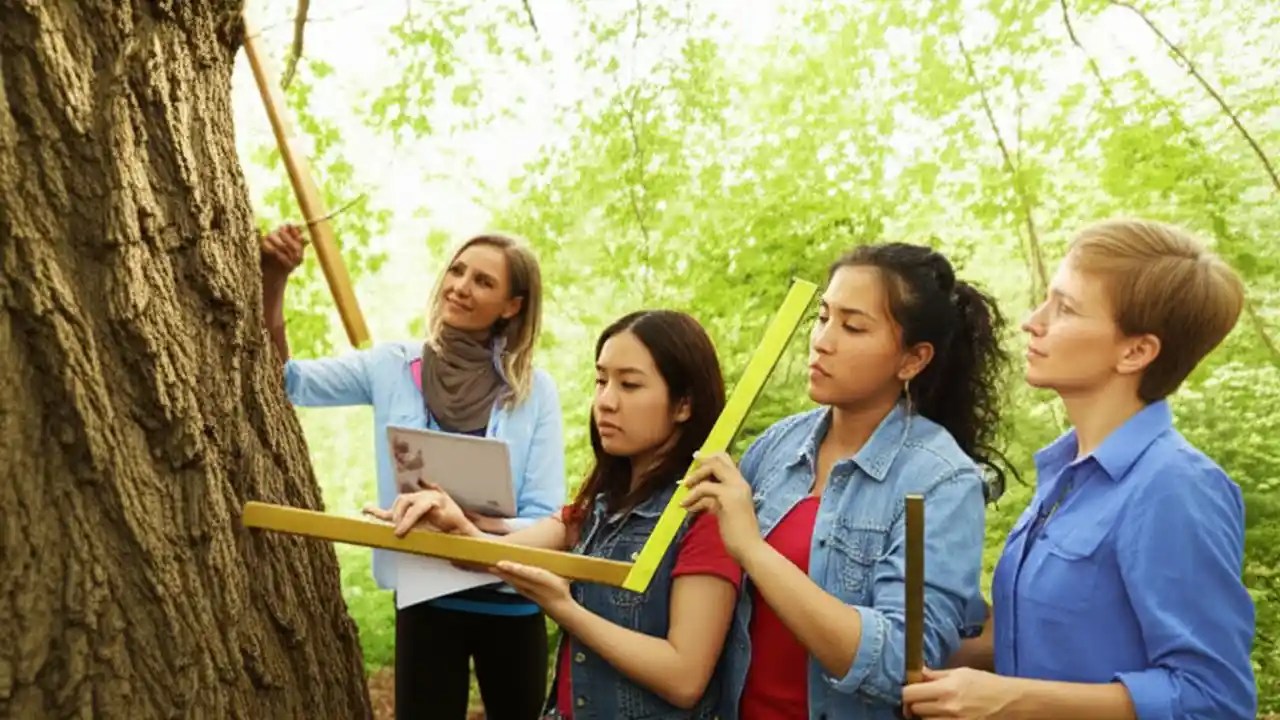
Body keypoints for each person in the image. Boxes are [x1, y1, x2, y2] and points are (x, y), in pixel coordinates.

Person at [902, 219, 1258, 719]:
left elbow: (1213, 700)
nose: (1033, 321)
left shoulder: (1175, 487)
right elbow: (1043, 644)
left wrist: (1011, 700)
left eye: (1065, 308)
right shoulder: (1064, 474)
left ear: (1136, 351)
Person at [681, 242, 1013, 720]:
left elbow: (903, 664)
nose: (823, 340)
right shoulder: (776, 447)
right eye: (822, 317)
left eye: (853, 326)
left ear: (912, 360)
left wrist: (753, 549)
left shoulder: (941, 480)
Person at [370, 310, 742, 719]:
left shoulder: (706, 513)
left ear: (684, 404)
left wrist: (563, 608)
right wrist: (452, 520)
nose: (605, 402)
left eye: (630, 385)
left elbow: (684, 677)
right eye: (601, 381)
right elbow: (496, 557)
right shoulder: (599, 502)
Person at [260, 225, 566, 720]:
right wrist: (274, 279)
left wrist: (474, 524)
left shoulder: (534, 391)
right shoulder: (392, 366)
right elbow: (286, 381)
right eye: (457, 270)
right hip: (426, 601)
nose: (461, 286)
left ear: (512, 305)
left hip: (510, 600)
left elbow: (548, 514)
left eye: (484, 282)